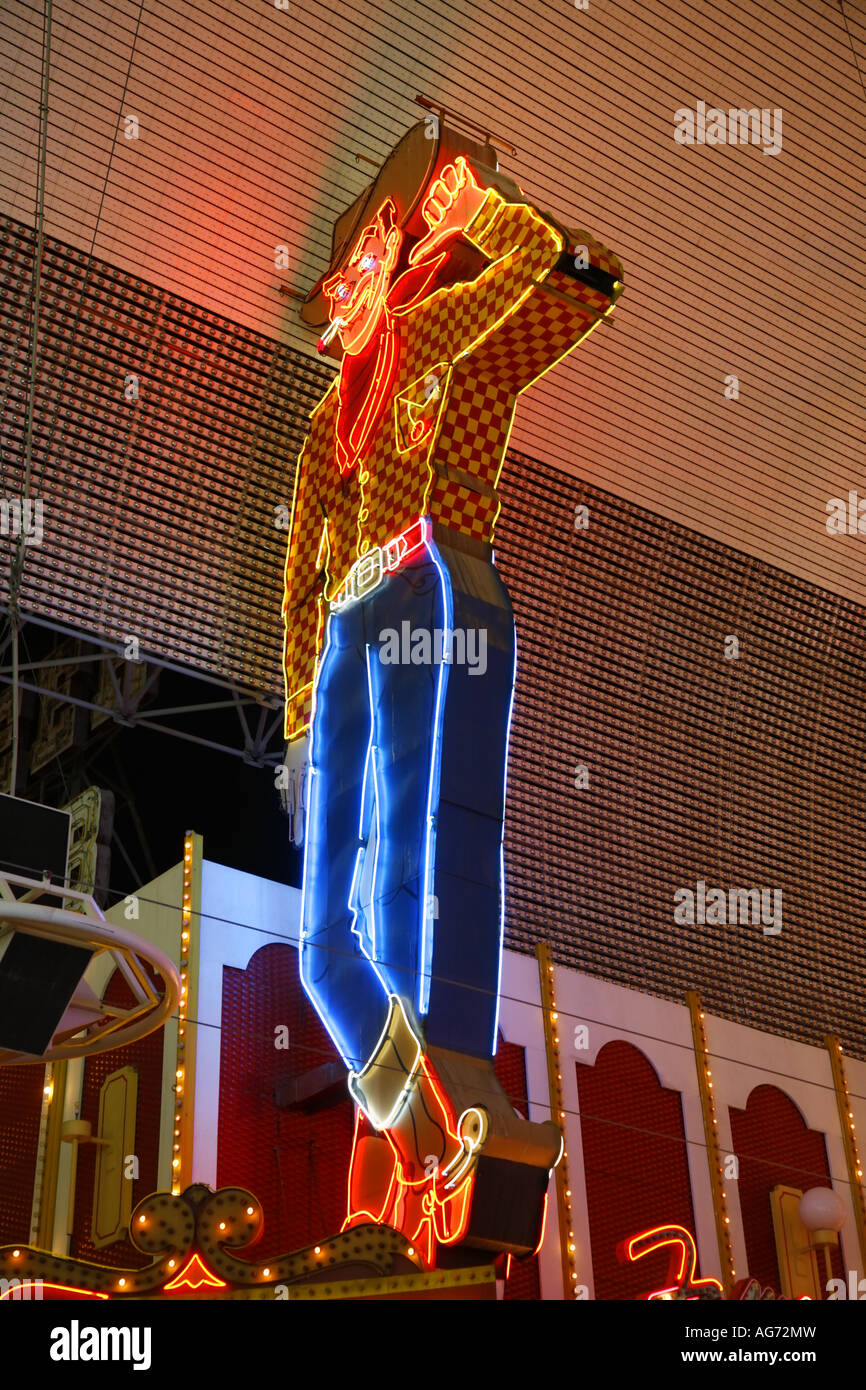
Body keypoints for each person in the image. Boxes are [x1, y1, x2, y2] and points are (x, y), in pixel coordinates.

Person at [283, 121, 623, 1262]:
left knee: (428, 857)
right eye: (343, 282)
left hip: (435, 584)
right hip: (344, 625)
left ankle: (449, 1103)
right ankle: (404, 1105)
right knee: (320, 930)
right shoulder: (329, 418)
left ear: (391, 261)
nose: (350, 290)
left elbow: (558, 269)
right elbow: (299, 568)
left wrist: (471, 204)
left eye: (367, 263)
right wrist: (293, 714)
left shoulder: (435, 329)